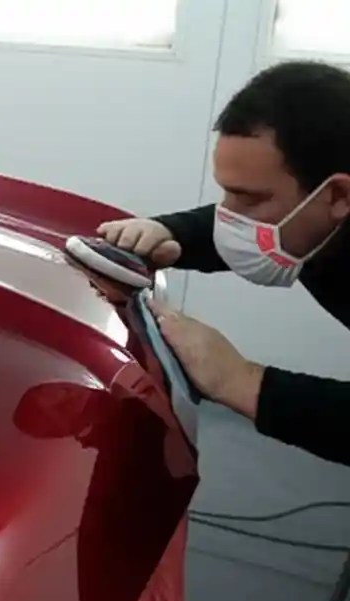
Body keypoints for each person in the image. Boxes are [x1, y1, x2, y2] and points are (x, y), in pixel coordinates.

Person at [97, 60, 350, 468]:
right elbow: (232, 228)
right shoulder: (319, 220)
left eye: (249, 199)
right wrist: (167, 231)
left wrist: (241, 380)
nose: (229, 217)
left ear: (338, 195)